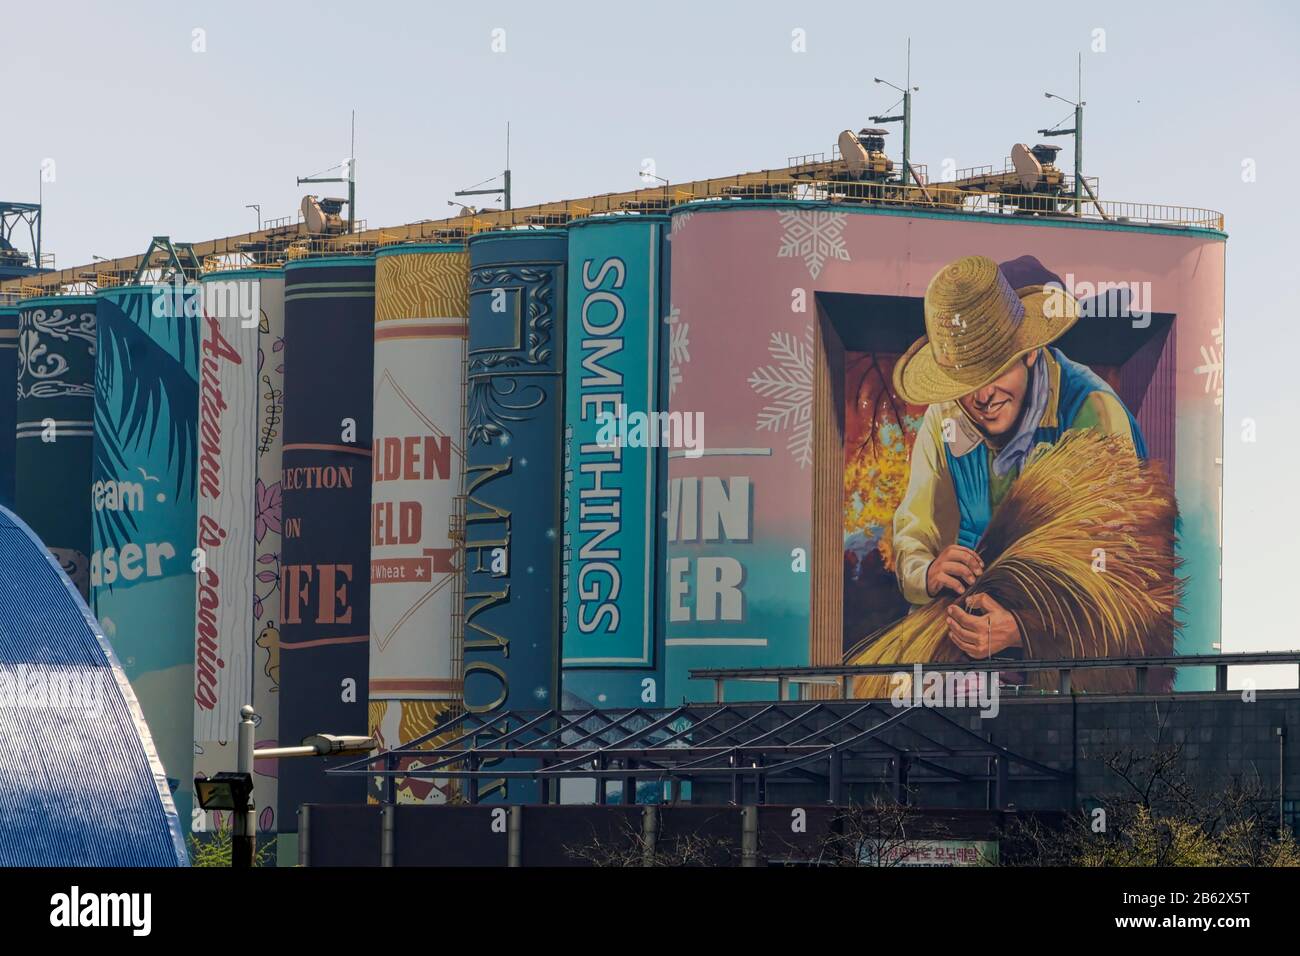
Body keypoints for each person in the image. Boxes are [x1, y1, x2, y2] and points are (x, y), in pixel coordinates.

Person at [890, 254, 1147, 659]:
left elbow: (1120, 570)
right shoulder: (943, 421)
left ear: (1031, 351)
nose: (982, 396)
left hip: (1070, 649)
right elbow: (914, 529)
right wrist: (927, 570)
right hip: (963, 638)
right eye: (966, 381)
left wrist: (1028, 630)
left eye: (995, 372)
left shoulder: (1093, 413)